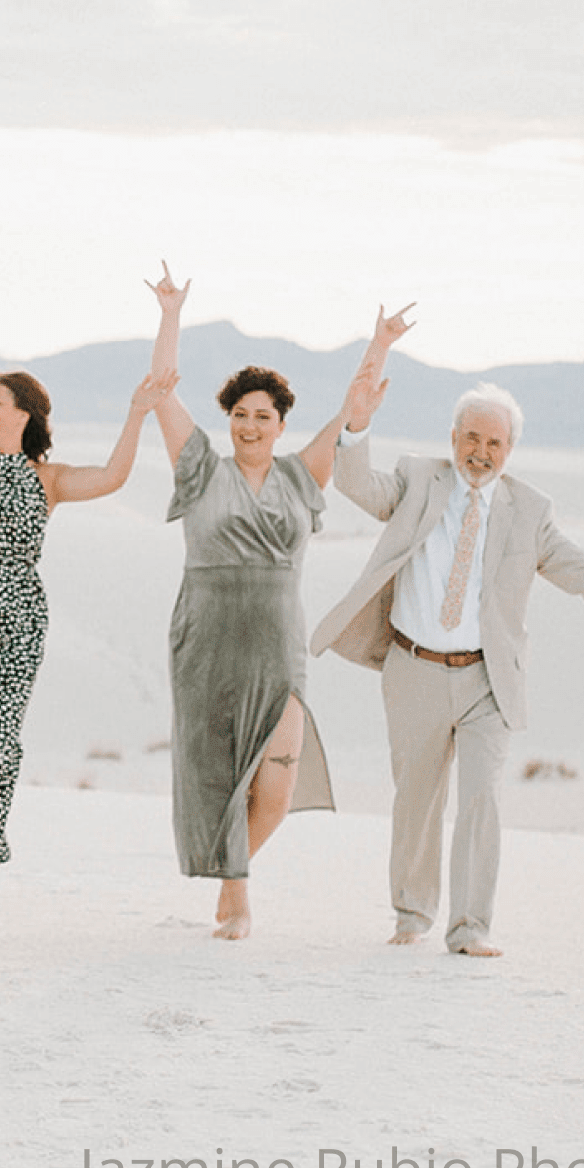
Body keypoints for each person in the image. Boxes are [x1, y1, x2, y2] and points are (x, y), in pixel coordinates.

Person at [310, 329, 584, 957]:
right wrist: (356, 428)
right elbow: (358, 487)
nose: (481, 451)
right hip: (413, 668)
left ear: (510, 450)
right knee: (416, 800)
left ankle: (470, 929)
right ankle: (412, 916)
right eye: (472, 438)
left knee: (481, 801)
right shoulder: (419, 481)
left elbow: (583, 573)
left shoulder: (531, 512)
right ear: (453, 439)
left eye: (495, 442)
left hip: (486, 681)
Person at [146, 266, 396, 940]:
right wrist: (170, 313)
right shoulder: (199, 468)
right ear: (226, 420)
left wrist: (380, 343)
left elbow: (354, 406)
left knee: (276, 785)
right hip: (205, 633)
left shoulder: (298, 473)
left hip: (277, 636)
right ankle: (235, 895)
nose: (250, 425)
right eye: (239, 415)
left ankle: (232, 882)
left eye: (263, 416)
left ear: (281, 424)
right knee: (213, 773)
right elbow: (163, 393)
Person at [0, 365, 174, 940]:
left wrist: (137, 412)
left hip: (18, 621)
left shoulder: (47, 479)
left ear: (25, 413)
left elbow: (112, 477)